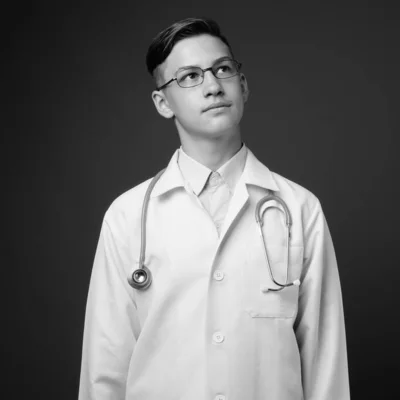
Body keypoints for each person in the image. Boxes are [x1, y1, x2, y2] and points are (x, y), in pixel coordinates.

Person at [78, 17, 350, 400]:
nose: (212, 86)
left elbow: (325, 360)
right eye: (189, 76)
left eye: (222, 69)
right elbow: (103, 366)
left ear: (243, 84)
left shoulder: (299, 209)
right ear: (162, 103)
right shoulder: (126, 216)